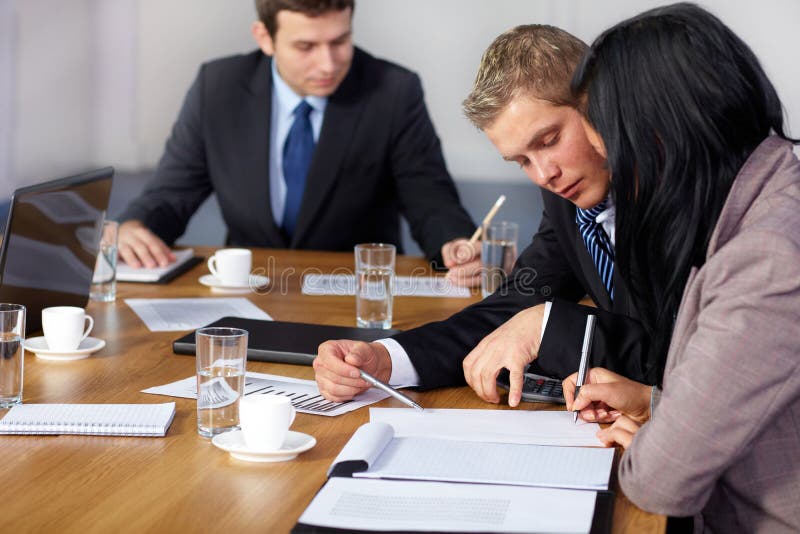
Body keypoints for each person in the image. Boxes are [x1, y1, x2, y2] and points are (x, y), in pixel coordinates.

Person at [314, 25, 656, 407]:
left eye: (549, 141)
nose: (544, 175)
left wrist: (548, 324)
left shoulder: (677, 190)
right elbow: (513, 310)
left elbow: (692, 354)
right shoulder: (565, 199)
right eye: (522, 160)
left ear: (595, 103)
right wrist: (386, 360)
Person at [560, 4, 800, 532]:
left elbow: (658, 482)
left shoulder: (768, 258)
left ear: (662, 139)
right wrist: (655, 403)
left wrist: (656, 440)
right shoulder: (769, 198)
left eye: (618, 160)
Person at [117, 0, 480, 284]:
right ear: (264, 37)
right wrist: (134, 228)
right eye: (306, 46)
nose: (328, 64)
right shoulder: (218, 87)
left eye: (340, 41)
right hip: (245, 292)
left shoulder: (393, 91)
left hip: (352, 294)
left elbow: (431, 200)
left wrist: (454, 244)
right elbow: (170, 195)